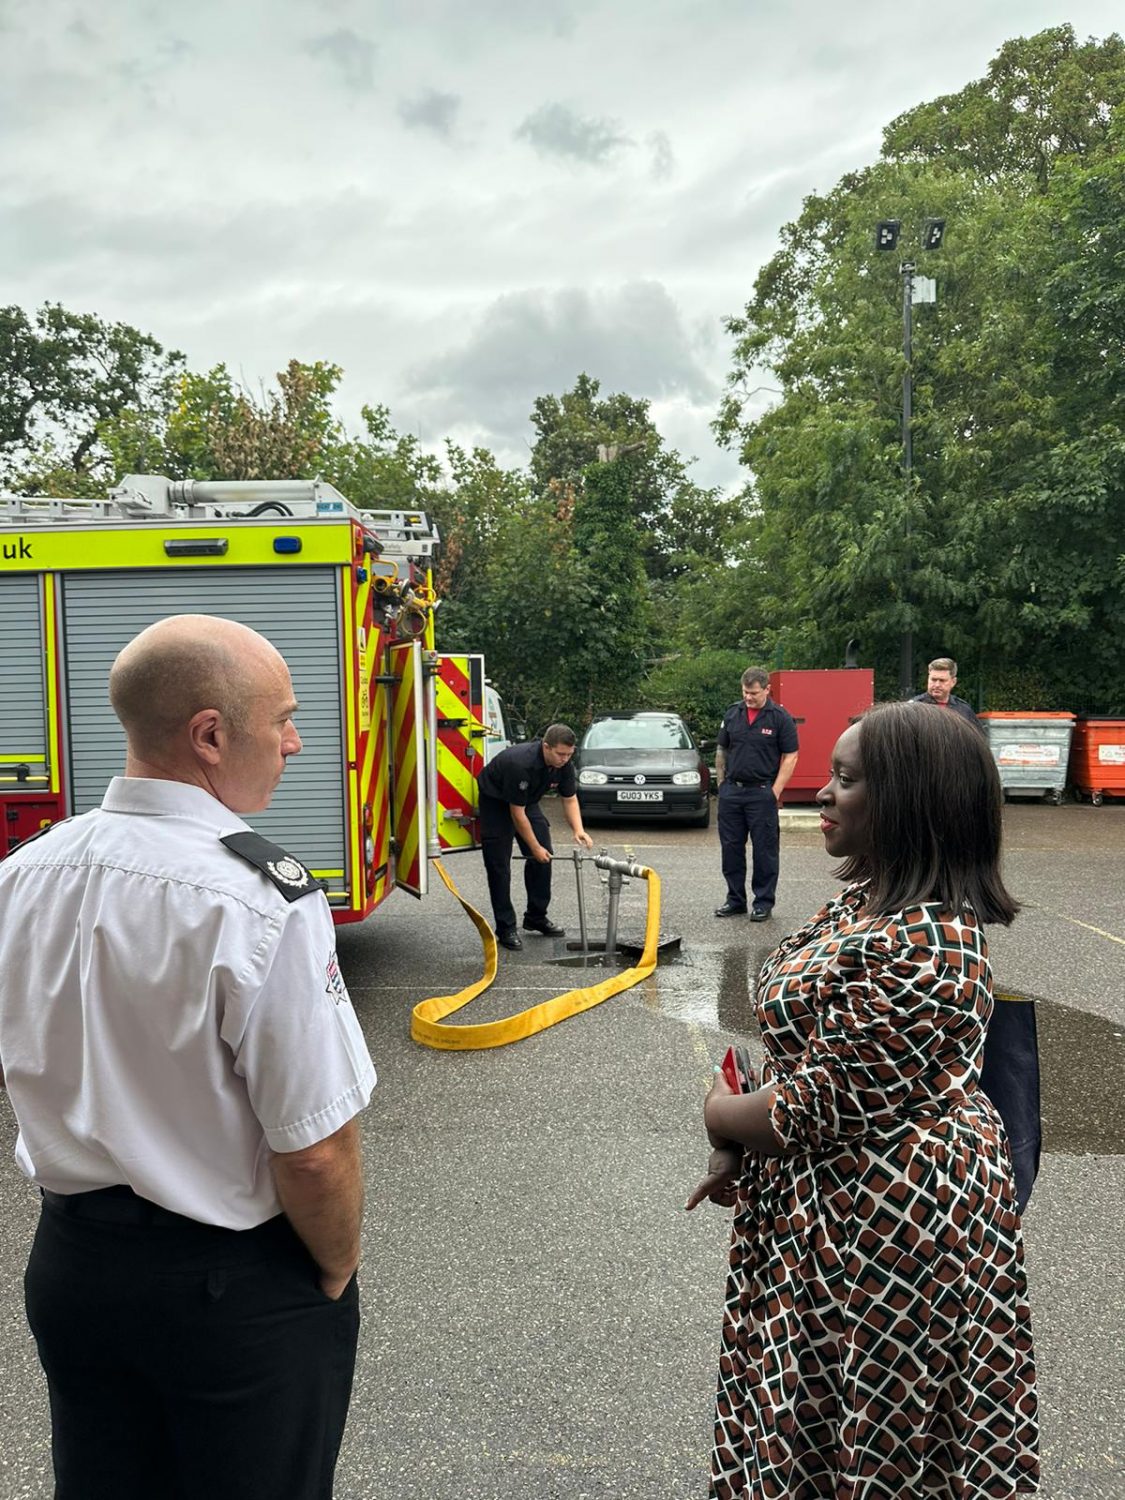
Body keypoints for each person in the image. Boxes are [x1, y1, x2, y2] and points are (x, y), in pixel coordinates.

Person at [0, 615, 377, 1500]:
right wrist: (331, 1268)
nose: (294, 741)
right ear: (210, 735)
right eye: (281, 718)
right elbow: (315, 1149)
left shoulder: (26, 872)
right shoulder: (259, 896)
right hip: (229, 1288)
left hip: (73, 1267)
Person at [689, 702, 1038, 1499]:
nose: (820, 791)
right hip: (826, 1214)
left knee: (873, 1430)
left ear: (910, 802)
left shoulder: (927, 943)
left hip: (891, 1240)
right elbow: (817, 1070)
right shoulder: (866, 903)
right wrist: (739, 1147)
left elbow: (808, 1109)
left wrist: (722, 1115)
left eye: (845, 779)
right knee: (809, 1418)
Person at [477, 723, 593, 951]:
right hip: (496, 801)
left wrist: (578, 830)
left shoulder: (565, 764)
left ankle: (536, 917)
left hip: (526, 802)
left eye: (570, 754)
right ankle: (506, 927)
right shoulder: (520, 763)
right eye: (560, 754)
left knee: (544, 857)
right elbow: (516, 814)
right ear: (546, 746)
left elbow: (569, 799)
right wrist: (534, 847)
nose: (565, 759)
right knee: (499, 865)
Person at [714, 666, 799, 921]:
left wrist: (775, 792)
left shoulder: (780, 718)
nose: (748, 698)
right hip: (732, 793)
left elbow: (791, 756)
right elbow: (721, 751)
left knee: (765, 851)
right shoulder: (732, 713)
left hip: (762, 793)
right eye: (745, 692)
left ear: (767, 689)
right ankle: (735, 900)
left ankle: (763, 902)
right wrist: (721, 785)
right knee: (731, 849)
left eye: (753, 693)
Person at [912, 654, 982, 727]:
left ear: (953, 682)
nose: (937, 685)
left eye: (942, 680)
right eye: (933, 680)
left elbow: (978, 736)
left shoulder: (964, 710)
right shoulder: (914, 708)